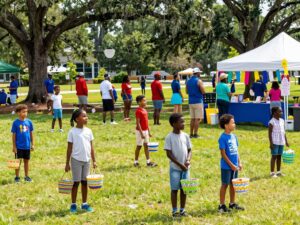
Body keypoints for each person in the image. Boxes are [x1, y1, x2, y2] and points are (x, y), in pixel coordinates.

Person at [65, 109, 97, 213]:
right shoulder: (72, 132)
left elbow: (91, 147)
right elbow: (69, 148)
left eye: (86, 116)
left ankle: (84, 204)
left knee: (85, 182)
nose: (86, 118)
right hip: (76, 160)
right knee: (76, 183)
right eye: (84, 116)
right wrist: (67, 163)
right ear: (77, 119)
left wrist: (94, 160)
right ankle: (73, 204)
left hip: (87, 160)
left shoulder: (89, 131)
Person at [164, 113, 192, 217]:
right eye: (181, 122)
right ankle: (174, 210)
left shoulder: (185, 136)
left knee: (185, 189)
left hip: (186, 168)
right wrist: (180, 164)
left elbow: (190, 150)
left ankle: (182, 210)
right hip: (175, 168)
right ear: (174, 124)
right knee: (174, 189)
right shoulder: (169, 137)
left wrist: (188, 160)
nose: (183, 124)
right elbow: (169, 154)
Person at [218, 114, 244, 213]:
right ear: (226, 125)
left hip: (234, 166)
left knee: (233, 184)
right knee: (225, 184)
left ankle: (232, 203)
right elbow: (223, 154)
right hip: (226, 166)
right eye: (232, 123)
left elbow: (236, 151)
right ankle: (221, 205)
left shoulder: (234, 137)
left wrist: (239, 163)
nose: (234, 124)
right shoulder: (223, 138)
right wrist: (231, 165)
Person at [11, 104, 34, 183]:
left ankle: (26, 176)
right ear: (18, 113)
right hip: (19, 147)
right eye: (23, 112)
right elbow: (14, 135)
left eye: (26, 112)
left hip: (27, 146)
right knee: (17, 162)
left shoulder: (29, 122)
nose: (25, 113)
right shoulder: (15, 123)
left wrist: (32, 144)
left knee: (26, 161)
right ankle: (17, 177)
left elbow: (31, 133)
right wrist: (14, 146)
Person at [134, 95, 157, 167]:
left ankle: (148, 162)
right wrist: (141, 133)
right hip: (140, 132)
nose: (145, 102)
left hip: (146, 131)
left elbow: (146, 122)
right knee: (139, 146)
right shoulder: (138, 111)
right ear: (139, 102)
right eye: (144, 100)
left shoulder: (144, 110)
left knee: (146, 146)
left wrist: (149, 132)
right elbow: (138, 123)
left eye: (145, 100)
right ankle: (136, 162)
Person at [268, 107, 289, 178]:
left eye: (281, 112)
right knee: (274, 156)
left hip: (281, 141)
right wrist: (271, 143)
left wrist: (286, 141)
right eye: (279, 112)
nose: (281, 113)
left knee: (279, 156)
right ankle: (272, 172)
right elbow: (269, 133)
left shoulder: (282, 121)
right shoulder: (272, 122)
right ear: (274, 113)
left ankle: (279, 172)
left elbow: (283, 132)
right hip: (275, 141)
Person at [186, 67, 205, 138]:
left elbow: (186, 91)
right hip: (198, 101)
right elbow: (203, 91)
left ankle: (191, 133)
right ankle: (195, 134)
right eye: (199, 72)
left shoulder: (188, 81)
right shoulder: (199, 81)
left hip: (191, 101)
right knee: (197, 119)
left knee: (192, 119)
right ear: (197, 73)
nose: (200, 74)